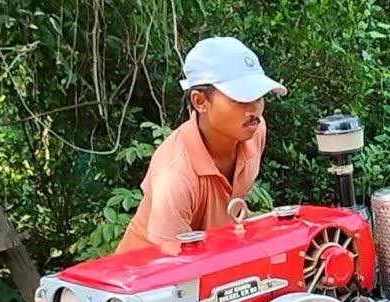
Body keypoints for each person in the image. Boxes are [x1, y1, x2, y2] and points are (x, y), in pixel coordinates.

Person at [114, 36, 287, 256]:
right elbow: (170, 263)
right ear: (200, 101)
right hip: (147, 269)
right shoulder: (175, 175)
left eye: (259, 97)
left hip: (211, 256)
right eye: (240, 99)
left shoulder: (255, 131)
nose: (254, 110)